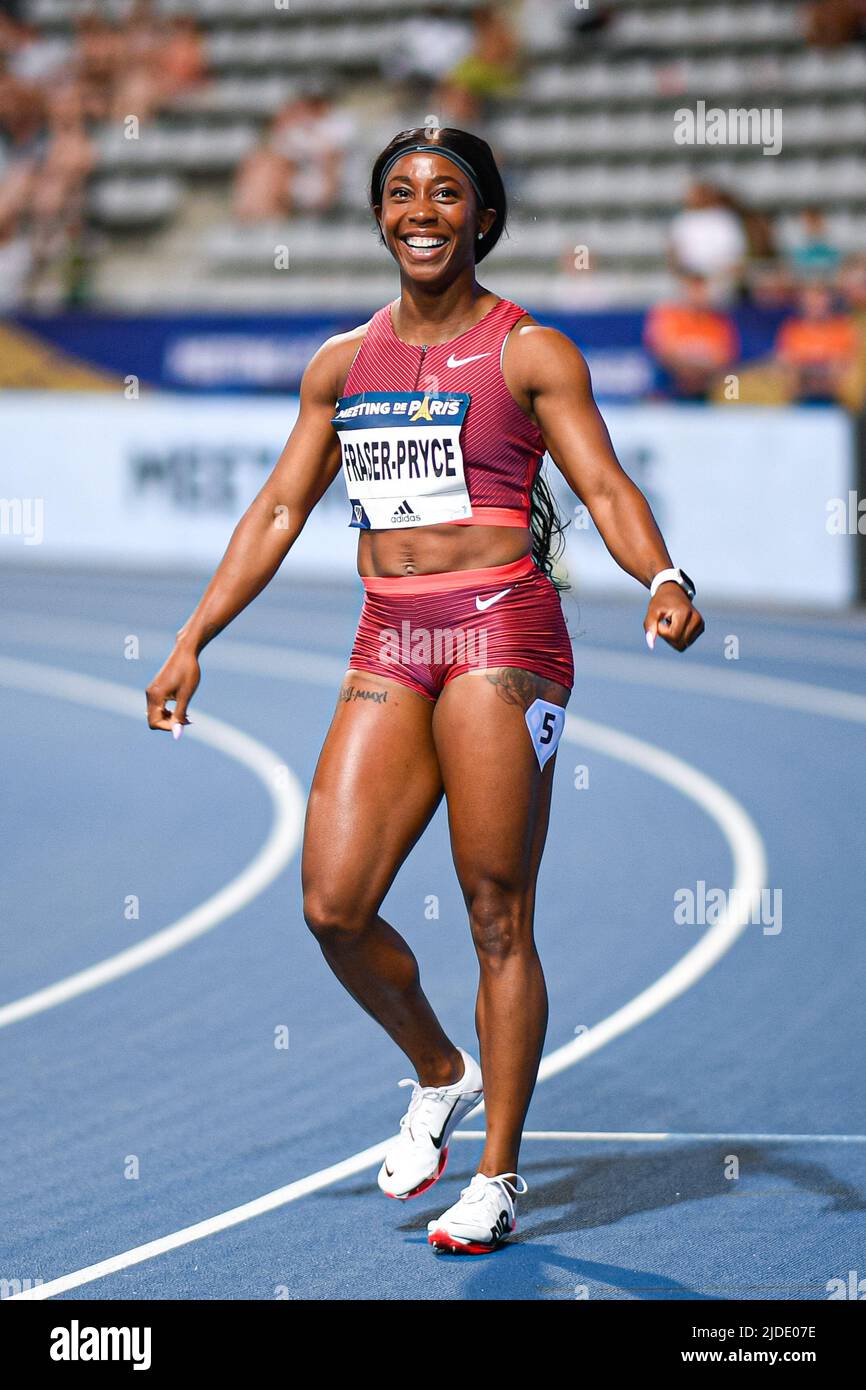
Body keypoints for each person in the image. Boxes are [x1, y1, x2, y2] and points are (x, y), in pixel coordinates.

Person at [146, 127, 704, 1256]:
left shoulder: (529, 352)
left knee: (497, 912)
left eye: (445, 193)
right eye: (399, 192)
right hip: (387, 633)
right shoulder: (339, 363)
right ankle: (436, 1070)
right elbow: (272, 513)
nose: (420, 209)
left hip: (503, 625)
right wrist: (193, 634)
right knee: (332, 903)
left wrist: (662, 573)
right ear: (377, 217)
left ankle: (497, 1175)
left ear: (482, 218)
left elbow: (599, 483)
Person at [644, 273, 739, 400]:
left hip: (707, 381)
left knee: (731, 380)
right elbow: (664, 350)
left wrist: (699, 368)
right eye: (694, 290)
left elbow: (724, 357)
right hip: (673, 378)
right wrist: (690, 365)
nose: (698, 296)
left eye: (702, 291)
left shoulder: (719, 323)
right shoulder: (668, 317)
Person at [774, 280, 858, 404]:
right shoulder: (791, 329)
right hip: (799, 395)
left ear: (828, 302)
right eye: (810, 301)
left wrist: (808, 366)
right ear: (803, 304)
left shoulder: (843, 329)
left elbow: (844, 366)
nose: (815, 305)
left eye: (819, 300)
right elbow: (787, 364)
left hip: (836, 396)